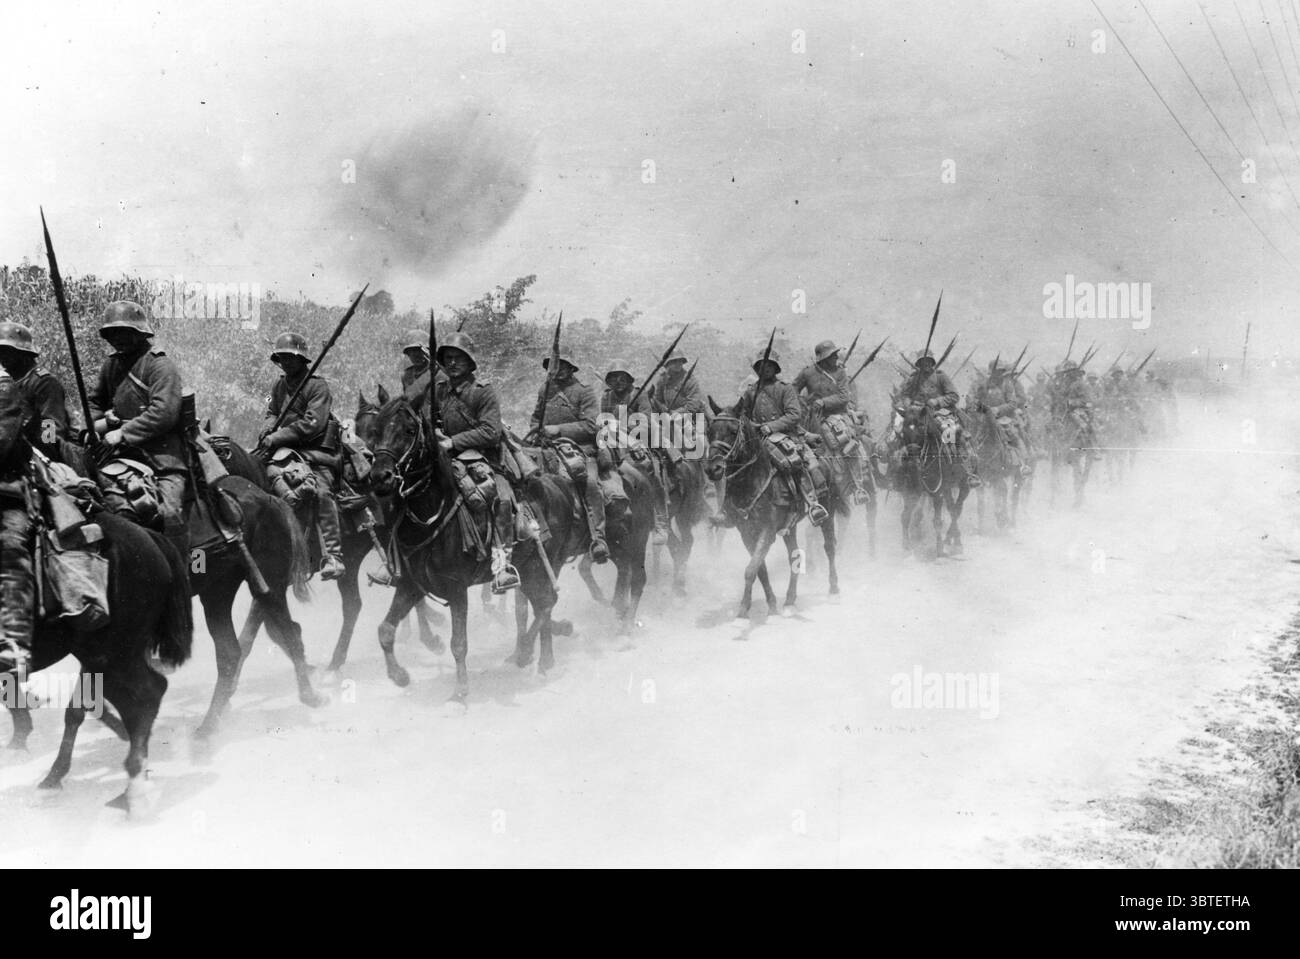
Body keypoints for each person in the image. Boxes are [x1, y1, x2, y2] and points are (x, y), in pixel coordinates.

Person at [88, 300, 188, 555]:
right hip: (116, 452)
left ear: (140, 332)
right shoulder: (111, 365)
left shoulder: (159, 365)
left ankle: (183, 573)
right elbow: (94, 402)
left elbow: (164, 413)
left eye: (125, 332)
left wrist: (122, 432)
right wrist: (95, 426)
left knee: (170, 512)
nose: (118, 339)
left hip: (160, 454)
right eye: (113, 333)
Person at [432, 332, 519, 592]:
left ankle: (502, 565)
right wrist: (435, 433)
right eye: (448, 358)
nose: (452, 363)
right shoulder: (439, 392)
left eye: (459, 358)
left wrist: (453, 442)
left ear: (470, 362)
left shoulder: (483, 392)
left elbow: (490, 432)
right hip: (447, 460)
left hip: (485, 460)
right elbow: (432, 421)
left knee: (501, 499)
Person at [257, 331, 345, 580]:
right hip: (283, 451)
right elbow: (271, 411)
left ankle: (333, 555)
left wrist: (278, 436)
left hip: (314, 451)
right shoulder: (279, 385)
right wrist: (267, 429)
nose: (286, 362)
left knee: (321, 491)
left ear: (302, 359)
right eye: (281, 358)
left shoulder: (317, 386)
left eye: (291, 358)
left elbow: (312, 424)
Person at [530, 350, 613, 563]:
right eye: (553, 366)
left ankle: (598, 537)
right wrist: (536, 430)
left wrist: (558, 429)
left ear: (570, 367)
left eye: (561, 366)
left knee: (590, 484)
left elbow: (590, 425)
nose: (556, 370)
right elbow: (536, 418)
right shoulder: (544, 390)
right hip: (547, 449)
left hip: (580, 448)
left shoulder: (583, 392)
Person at [738, 349, 828, 525]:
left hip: (784, 435)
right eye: (761, 366)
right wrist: (753, 426)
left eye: (769, 365)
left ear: (775, 368)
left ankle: (812, 503)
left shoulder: (784, 388)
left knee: (794, 461)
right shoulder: (750, 392)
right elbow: (744, 415)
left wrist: (770, 427)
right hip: (758, 438)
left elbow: (794, 415)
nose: (766, 369)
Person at [602, 359, 670, 543]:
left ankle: (661, 522)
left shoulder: (639, 394)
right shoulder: (606, 397)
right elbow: (603, 419)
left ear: (629, 378)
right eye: (614, 377)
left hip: (640, 440)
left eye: (622, 377)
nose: (618, 381)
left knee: (651, 470)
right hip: (614, 442)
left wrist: (623, 425)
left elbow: (646, 421)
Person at [895, 349, 981, 486]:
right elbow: (904, 395)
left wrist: (937, 401)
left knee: (950, 433)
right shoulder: (912, 379)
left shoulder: (941, 377)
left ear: (932, 362)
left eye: (928, 361)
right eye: (923, 362)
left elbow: (954, 396)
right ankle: (899, 474)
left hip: (941, 413)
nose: (926, 365)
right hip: (918, 414)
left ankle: (965, 470)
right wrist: (910, 405)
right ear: (919, 364)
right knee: (900, 434)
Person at [0, 374, 35, 674]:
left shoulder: (4, 387)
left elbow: (2, 440)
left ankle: (14, 643)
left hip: (7, 489)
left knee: (10, 547)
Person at [0, 322, 70, 462]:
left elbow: (51, 427)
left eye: (8, 351)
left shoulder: (44, 382)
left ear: (23, 352)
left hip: (41, 450)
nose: (2, 356)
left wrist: (37, 448)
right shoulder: (5, 380)